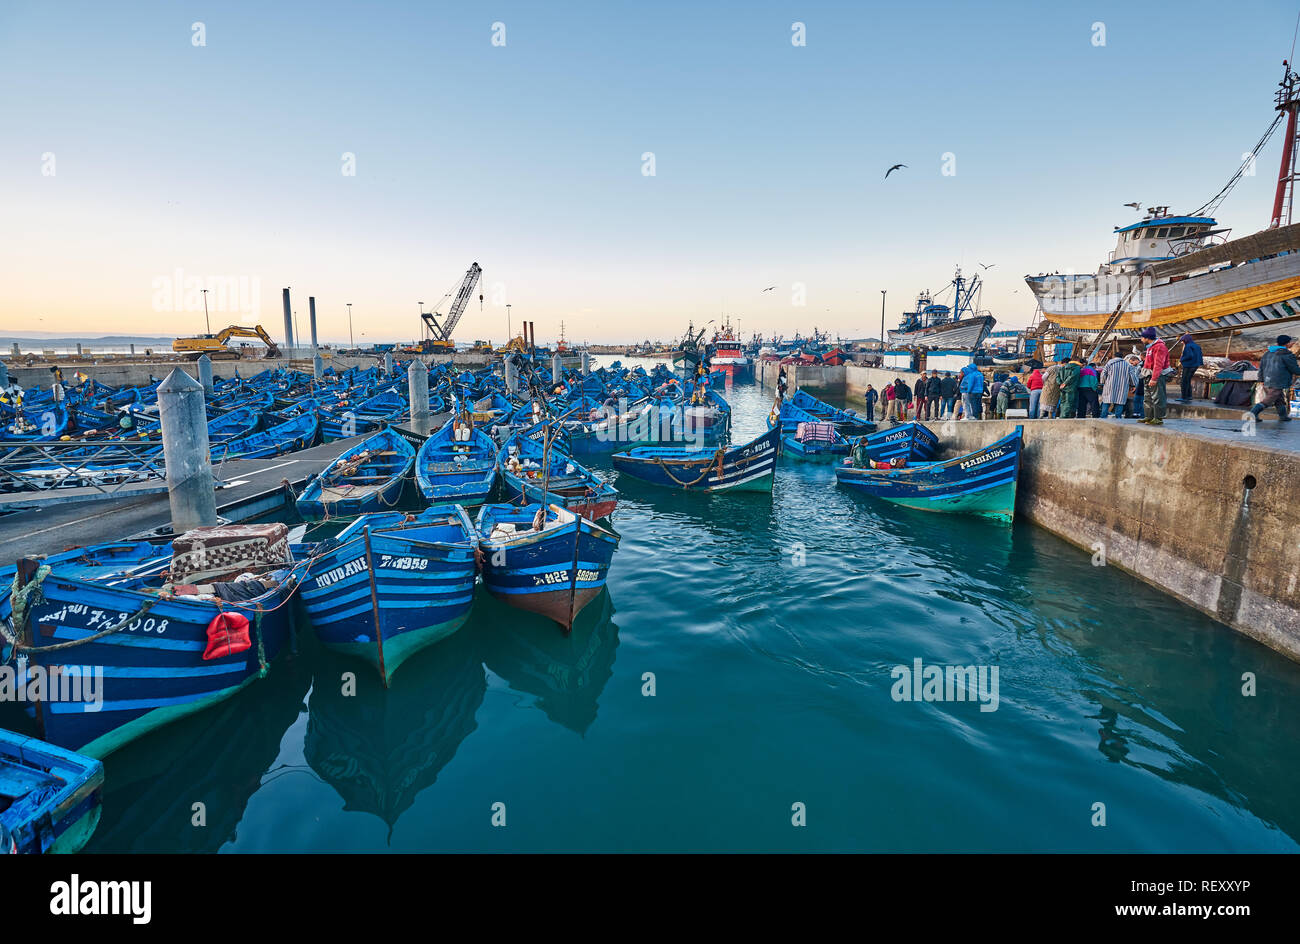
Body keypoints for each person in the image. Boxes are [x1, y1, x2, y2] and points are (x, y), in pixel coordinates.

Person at [1249, 335, 1299, 422]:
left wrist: (1261, 379)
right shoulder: (1287, 354)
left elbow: (1261, 367)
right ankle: (1253, 413)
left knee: (1279, 398)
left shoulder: (1267, 353)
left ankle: (1283, 416)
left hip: (1267, 379)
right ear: (1287, 344)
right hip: (1278, 381)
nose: (1292, 343)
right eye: (1291, 342)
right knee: (1269, 400)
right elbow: (1294, 369)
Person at [1139, 328, 1170, 424]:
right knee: (1147, 397)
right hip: (1147, 374)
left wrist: (1154, 378)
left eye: (1142, 337)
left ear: (1147, 338)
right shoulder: (1150, 347)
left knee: (1157, 396)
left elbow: (1158, 364)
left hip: (1155, 375)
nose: (1141, 339)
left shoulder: (1159, 347)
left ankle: (1158, 418)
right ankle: (1148, 416)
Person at [1099, 353, 1129, 418]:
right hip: (1122, 387)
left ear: (1114, 356)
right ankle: (1118, 418)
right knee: (1120, 402)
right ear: (1122, 357)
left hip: (1109, 386)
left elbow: (1103, 374)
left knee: (1106, 401)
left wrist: (1102, 382)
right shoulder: (1127, 364)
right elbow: (1132, 375)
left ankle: (1103, 417)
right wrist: (1133, 385)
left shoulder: (1109, 363)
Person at [1178, 333, 1203, 403]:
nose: (1182, 342)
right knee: (1188, 380)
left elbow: (1189, 356)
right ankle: (1189, 396)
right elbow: (1200, 356)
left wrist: (1181, 359)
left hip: (1189, 365)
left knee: (1184, 381)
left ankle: (1184, 397)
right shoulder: (1197, 346)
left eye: (1183, 341)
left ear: (1186, 340)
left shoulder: (1188, 346)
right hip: (1195, 365)